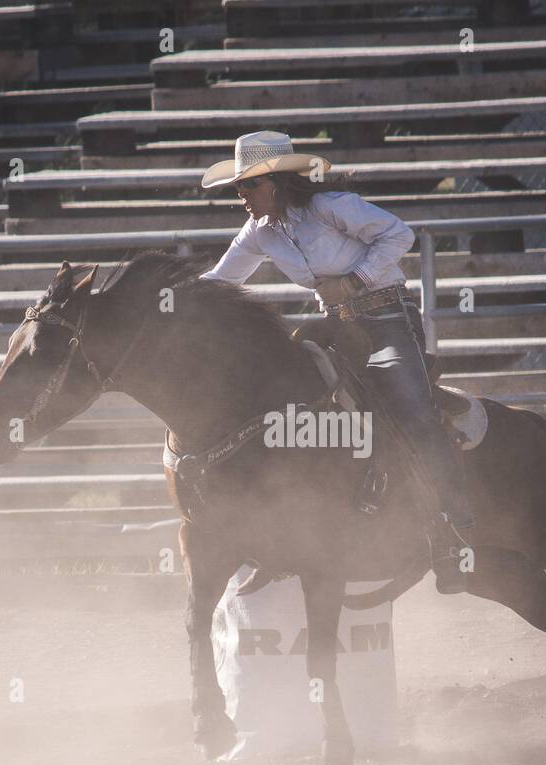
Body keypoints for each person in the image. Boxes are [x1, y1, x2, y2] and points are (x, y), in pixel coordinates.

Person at [198, 130, 474, 594]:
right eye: (238, 187)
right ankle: (285, 537)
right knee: (286, 403)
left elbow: (398, 234)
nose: (239, 195)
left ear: (275, 182)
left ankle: (454, 528)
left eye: (247, 185)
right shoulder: (259, 231)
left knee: (413, 410)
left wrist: (353, 281)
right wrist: (170, 297)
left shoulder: (331, 206)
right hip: (336, 326)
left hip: (387, 317)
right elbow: (219, 282)